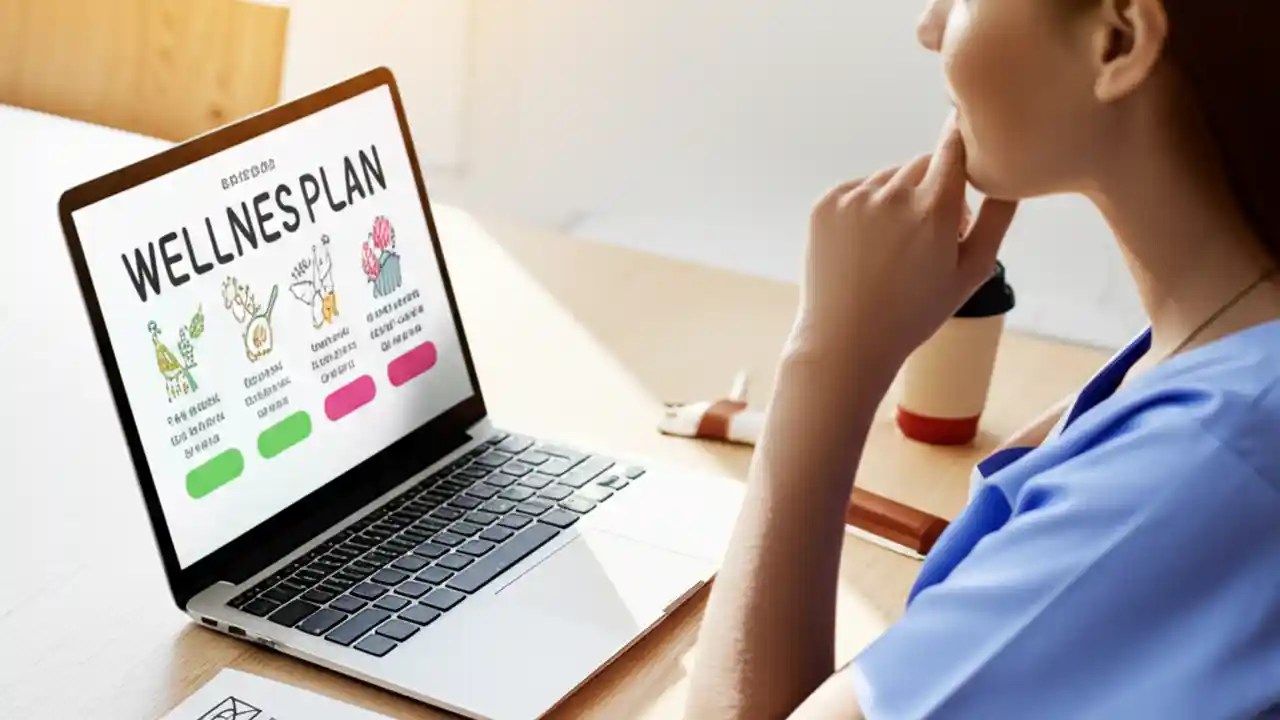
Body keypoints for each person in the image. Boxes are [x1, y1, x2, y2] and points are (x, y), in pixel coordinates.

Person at [685, 0, 1280, 717]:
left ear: (1118, 40)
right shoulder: (1215, 346)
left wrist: (827, 364)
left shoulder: (1202, 461)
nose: (929, 27)